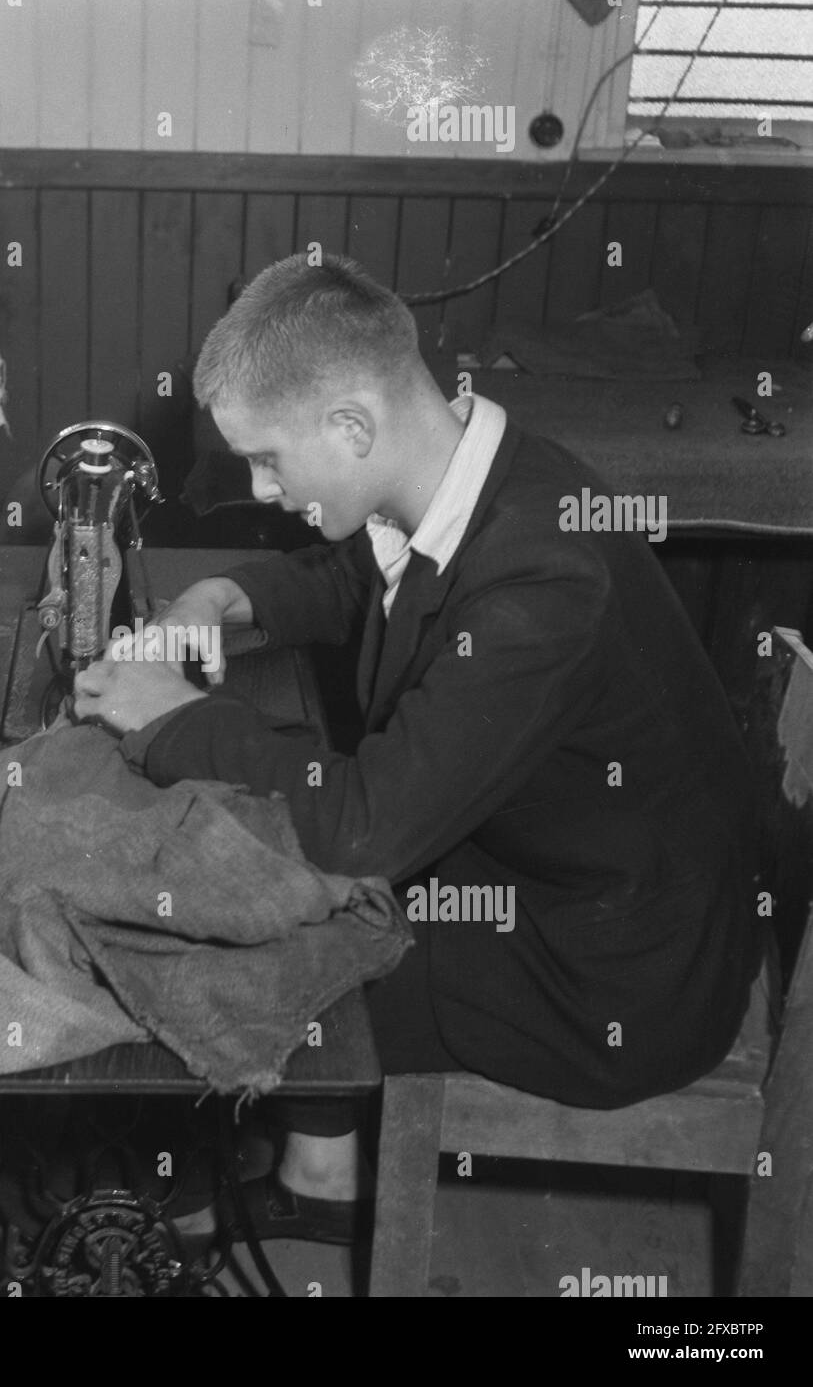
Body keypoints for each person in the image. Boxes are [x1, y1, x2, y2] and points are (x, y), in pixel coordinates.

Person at [71, 253, 759, 1245]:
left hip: (615, 972)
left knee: (244, 932)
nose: (261, 490)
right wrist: (223, 600)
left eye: (268, 460)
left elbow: (364, 829)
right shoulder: (473, 469)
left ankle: (239, 1197)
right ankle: (319, 1165)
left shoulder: (542, 579)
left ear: (352, 427)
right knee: (269, 852)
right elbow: (362, 574)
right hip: (568, 872)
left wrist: (171, 713)